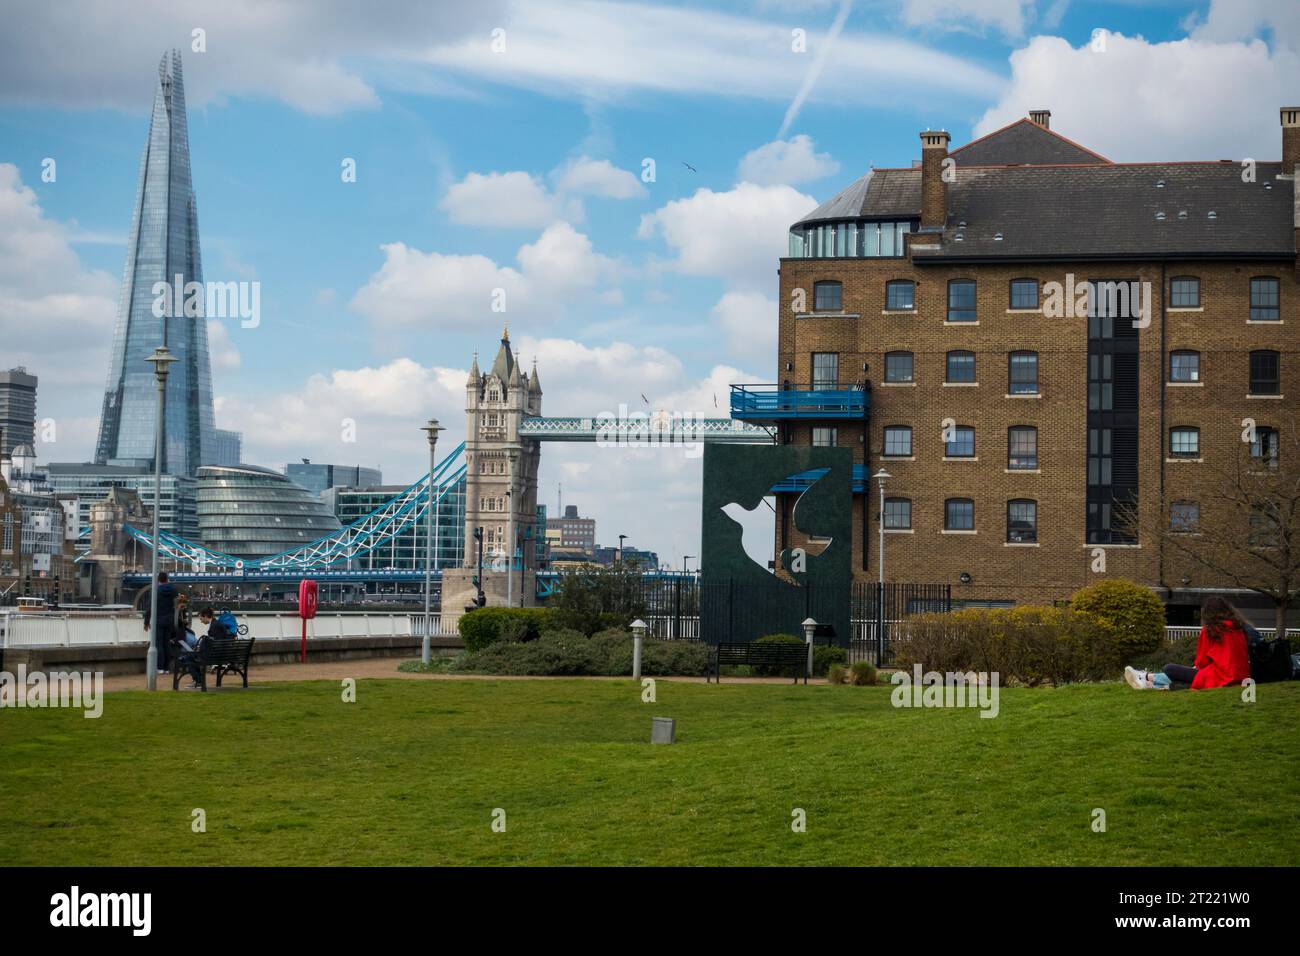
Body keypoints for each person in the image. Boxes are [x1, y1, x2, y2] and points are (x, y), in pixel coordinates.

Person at [1125, 596, 1252, 690]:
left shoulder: (1211, 630)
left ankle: (1146, 678)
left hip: (1218, 677)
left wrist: (1196, 669)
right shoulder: (1239, 629)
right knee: (1183, 679)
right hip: (1240, 676)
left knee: (1170, 669)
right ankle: (1148, 681)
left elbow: (1202, 662)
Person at [141, 571, 178, 672]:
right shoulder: (173, 590)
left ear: (158, 580)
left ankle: (160, 667)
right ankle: (167, 668)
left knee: (158, 643)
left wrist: (146, 622)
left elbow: (149, 607)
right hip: (169, 620)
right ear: (167, 579)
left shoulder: (155, 591)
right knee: (167, 643)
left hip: (158, 620)